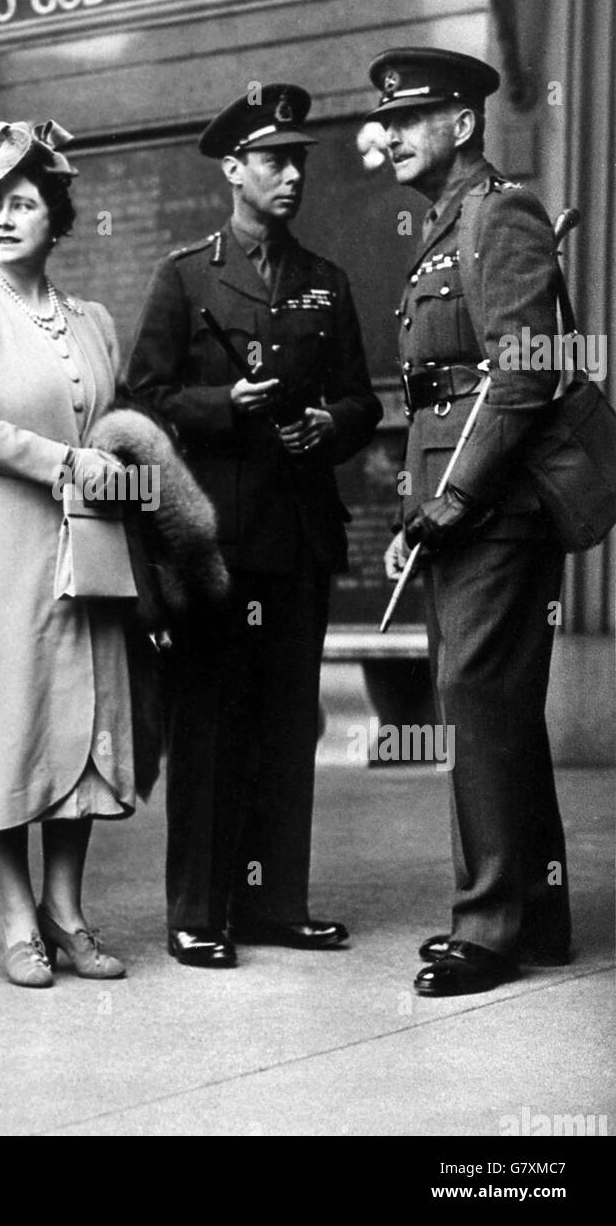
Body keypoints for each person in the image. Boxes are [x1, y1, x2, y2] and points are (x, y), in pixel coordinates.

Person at [125, 84, 382, 968]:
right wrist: (226, 406)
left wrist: (331, 427)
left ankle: (275, 903)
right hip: (216, 548)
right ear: (232, 169)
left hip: (297, 531)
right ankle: (198, 911)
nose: (290, 174)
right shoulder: (184, 276)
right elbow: (143, 405)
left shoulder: (326, 280)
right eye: (273, 159)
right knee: (206, 727)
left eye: (299, 160)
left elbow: (362, 397)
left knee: (285, 720)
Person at [370, 48, 572, 997]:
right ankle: (538, 917)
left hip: (495, 511)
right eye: (389, 118)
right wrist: (421, 513)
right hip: (454, 508)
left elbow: (525, 371)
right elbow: (442, 399)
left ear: (459, 125)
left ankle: (486, 929)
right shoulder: (447, 226)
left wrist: (452, 504)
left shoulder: (503, 215)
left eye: (410, 119)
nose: (391, 134)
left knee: (474, 706)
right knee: (491, 712)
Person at [0, 120, 136, 988]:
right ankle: (16, 920)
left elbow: (113, 429)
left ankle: (67, 911)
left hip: (90, 548)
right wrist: (67, 466)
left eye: (24, 203)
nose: (5, 219)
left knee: (79, 726)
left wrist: (122, 484)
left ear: (57, 219)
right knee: (5, 725)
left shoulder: (94, 321)